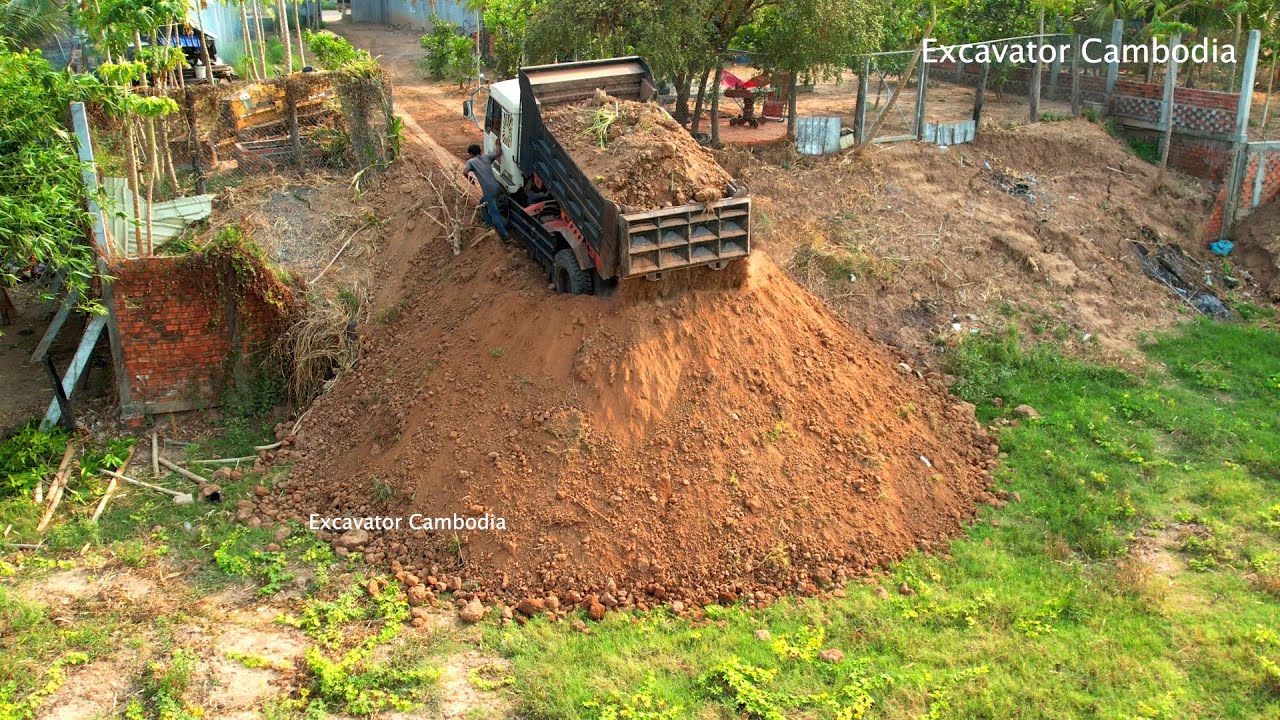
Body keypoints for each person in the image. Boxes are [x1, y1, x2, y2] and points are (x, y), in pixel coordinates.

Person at [464, 143, 509, 239]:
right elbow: (498, 153)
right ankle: (488, 224)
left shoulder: (471, 161)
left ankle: (504, 234)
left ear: (471, 153)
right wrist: (497, 144)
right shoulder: (486, 157)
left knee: (494, 212)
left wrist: (469, 179)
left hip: (488, 191)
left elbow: (465, 171)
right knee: (483, 204)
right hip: (497, 187)